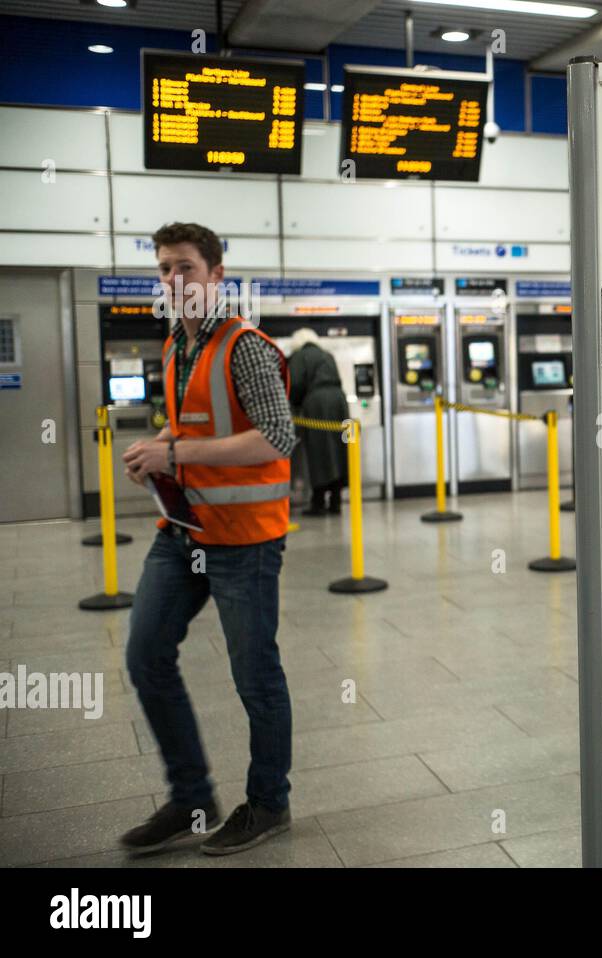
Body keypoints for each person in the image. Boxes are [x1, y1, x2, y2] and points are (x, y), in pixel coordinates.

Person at [118, 222, 296, 857]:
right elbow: (192, 419)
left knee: (254, 673)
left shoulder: (244, 345)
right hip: (183, 530)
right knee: (144, 654)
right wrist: (161, 447)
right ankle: (191, 794)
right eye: (165, 268)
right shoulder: (175, 346)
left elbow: (277, 435)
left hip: (245, 540)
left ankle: (269, 802)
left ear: (216, 275)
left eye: (186, 268)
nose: (174, 280)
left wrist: (180, 452)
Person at [286, 328, 349, 515]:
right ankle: (336, 500)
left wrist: (296, 406)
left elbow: (294, 384)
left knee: (319, 452)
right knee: (339, 450)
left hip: (317, 404)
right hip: (339, 401)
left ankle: (319, 502)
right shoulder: (327, 355)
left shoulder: (299, 356)